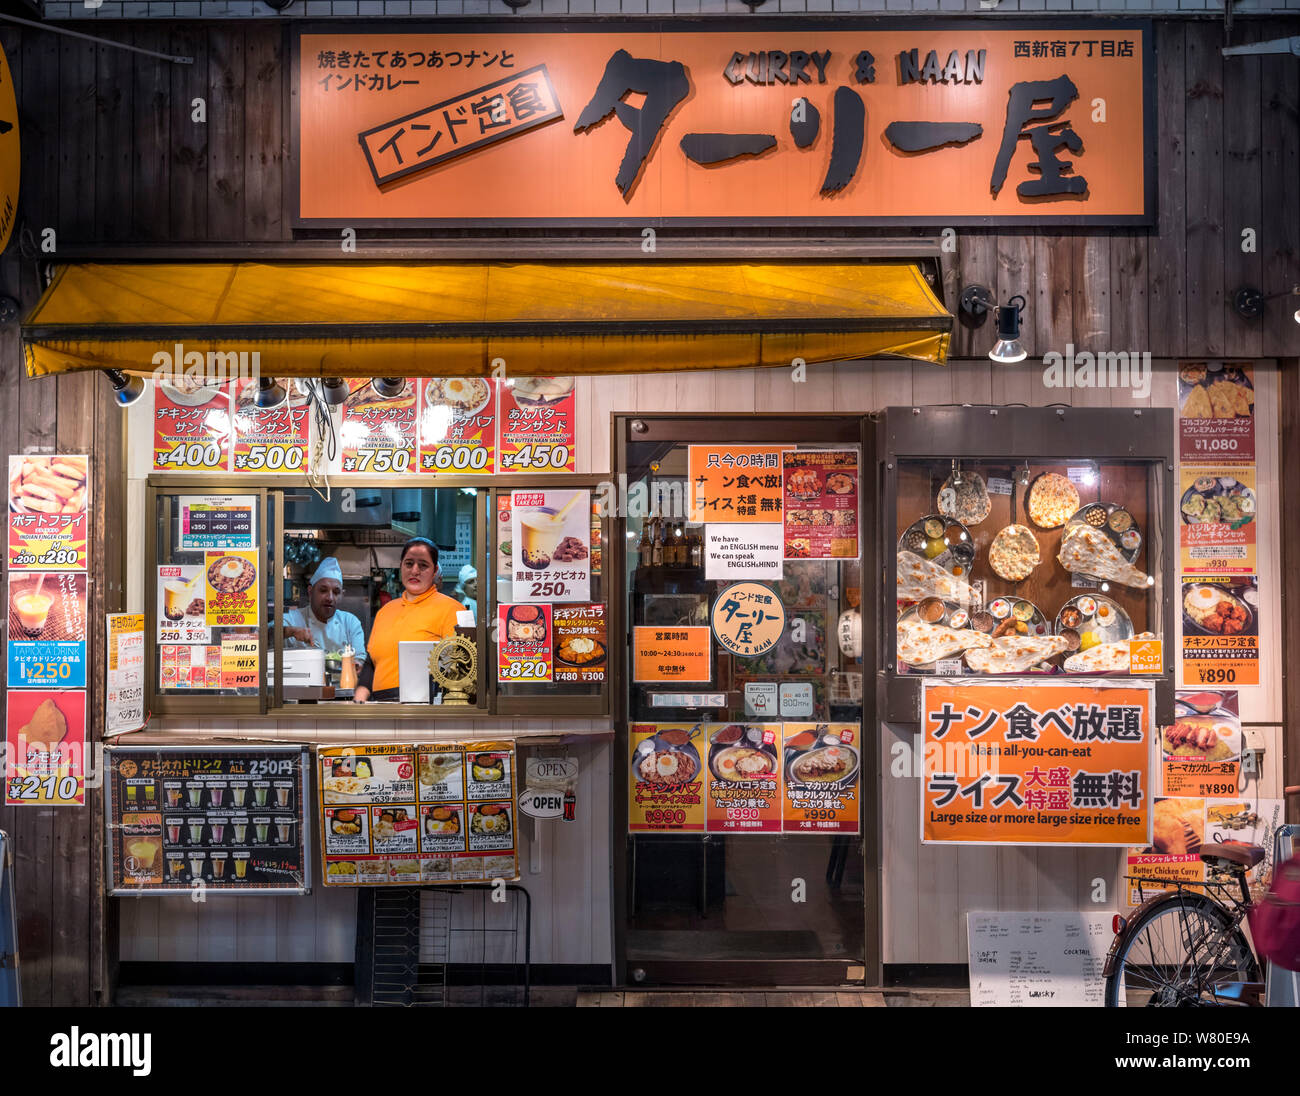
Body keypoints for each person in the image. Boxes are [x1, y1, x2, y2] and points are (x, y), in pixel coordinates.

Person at [353, 537, 464, 703]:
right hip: (379, 706)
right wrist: (358, 700)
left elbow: (460, 669)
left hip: (426, 707)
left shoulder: (452, 610)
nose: (415, 571)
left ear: (434, 571)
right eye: (409, 563)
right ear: (400, 566)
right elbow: (372, 663)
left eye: (423, 565)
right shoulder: (385, 611)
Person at [284, 557, 367, 666]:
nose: (330, 598)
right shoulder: (292, 618)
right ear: (310, 592)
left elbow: (359, 658)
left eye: (336, 592)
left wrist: (357, 664)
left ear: (342, 595)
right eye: (323, 590)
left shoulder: (350, 622)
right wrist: (291, 631)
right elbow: (263, 635)